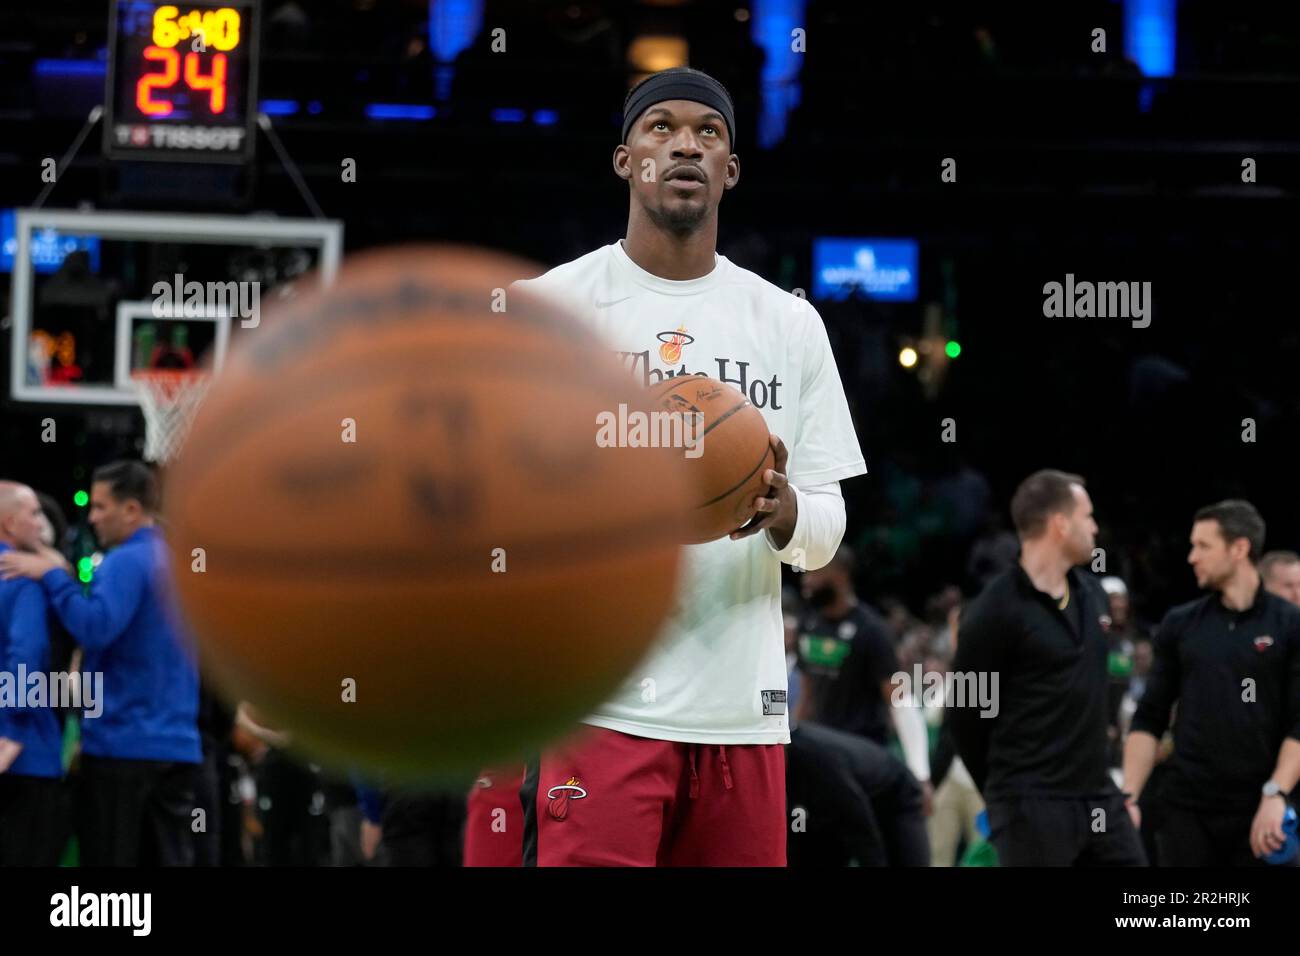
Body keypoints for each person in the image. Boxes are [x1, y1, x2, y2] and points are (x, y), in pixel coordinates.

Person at [509, 66, 867, 866]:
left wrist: (783, 512)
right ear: (624, 158)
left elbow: (827, 526)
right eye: (661, 127)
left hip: (743, 715)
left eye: (708, 134)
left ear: (730, 171)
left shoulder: (790, 323)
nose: (685, 145)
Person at [0, 461, 202, 866]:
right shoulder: (177, 560)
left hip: (121, 745)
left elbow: (87, 631)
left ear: (131, 509)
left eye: (100, 507)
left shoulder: (124, 562)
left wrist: (57, 576)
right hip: (176, 744)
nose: (91, 517)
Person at [949, 469, 1144, 866]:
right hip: (1029, 800)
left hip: (1097, 794)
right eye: (1087, 516)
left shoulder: (1094, 596)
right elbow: (965, 715)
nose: (1094, 527)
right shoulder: (994, 609)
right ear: (1060, 524)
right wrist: (1003, 796)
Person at [1122, 500, 1300, 866]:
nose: (1192, 557)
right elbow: (1149, 717)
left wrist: (1275, 793)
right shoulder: (1181, 624)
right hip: (1186, 809)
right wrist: (1128, 797)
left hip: (1261, 809)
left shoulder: (1289, 623)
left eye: (1203, 546)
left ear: (1239, 549)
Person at [794, 545, 931, 807]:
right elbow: (806, 693)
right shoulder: (807, 624)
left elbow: (900, 702)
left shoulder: (872, 630)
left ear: (840, 576)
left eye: (813, 573)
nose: (806, 580)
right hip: (818, 754)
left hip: (862, 756)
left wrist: (920, 774)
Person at [0, 481, 68, 865]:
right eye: (32, 514)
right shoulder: (23, 579)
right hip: (25, 753)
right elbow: (26, 657)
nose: (39, 523)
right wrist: (13, 727)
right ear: (10, 523)